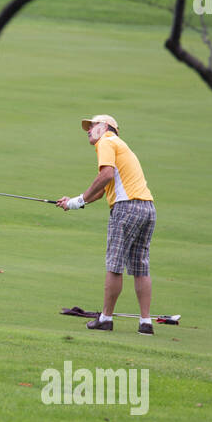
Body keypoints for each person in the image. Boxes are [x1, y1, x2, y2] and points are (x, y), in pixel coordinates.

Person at [57, 114, 157, 335]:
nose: (88, 130)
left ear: (105, 127)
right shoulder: (121, 146)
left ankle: (106, 318)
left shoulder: (107, 142)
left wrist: (80, 199)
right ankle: (146, 322)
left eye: (92, 126)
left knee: (114, 265)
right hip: (147, 208)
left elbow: (106, 175)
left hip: (126, 208)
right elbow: (103, 189)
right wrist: (74, 202)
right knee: (141, 267)